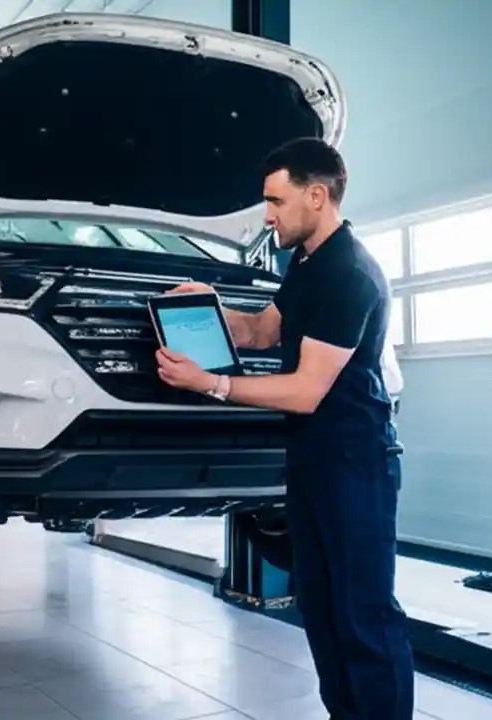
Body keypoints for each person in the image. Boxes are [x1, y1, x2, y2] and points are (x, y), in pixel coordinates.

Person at [155, 137, 414, 719]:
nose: (267, 215)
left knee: (364, 613)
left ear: (316, 195)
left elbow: (304, 389)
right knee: (321, 609)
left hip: (357, 462)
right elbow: (264, 331)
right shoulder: (306, 262)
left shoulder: (348, 273)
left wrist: (211, 384)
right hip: (313, 459)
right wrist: (210, 307)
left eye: (276, 200)